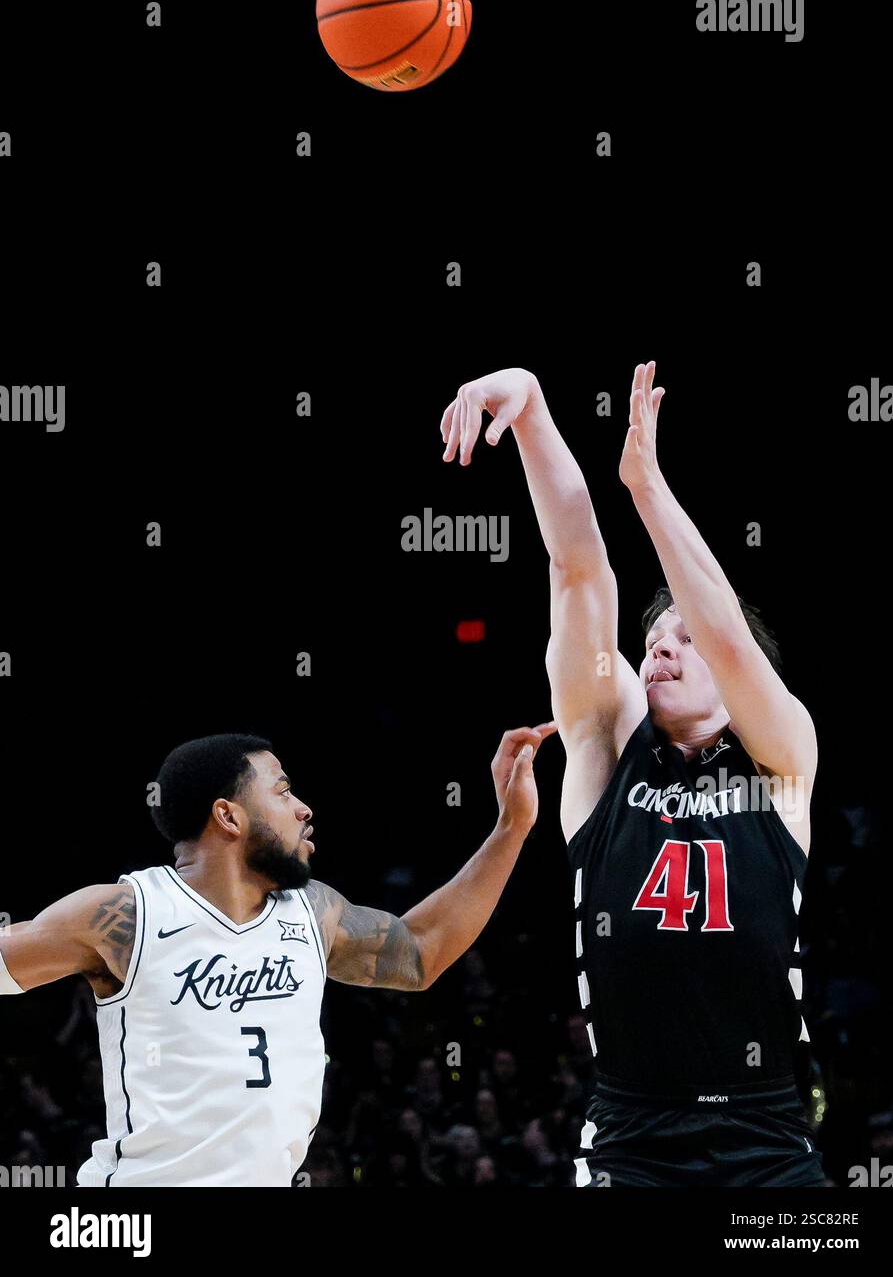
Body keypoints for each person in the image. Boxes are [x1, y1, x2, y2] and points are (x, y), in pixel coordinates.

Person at [440, 362, 825, 1187]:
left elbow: (726, 634)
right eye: (654, 636)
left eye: (680, 639)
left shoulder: (781, 756)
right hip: (629, 1131)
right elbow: (577, 571)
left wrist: (648, 490)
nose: (659, 644)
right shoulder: (607, 748)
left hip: (765, 1131)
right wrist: (534, 410)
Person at [0, 722, 554, 1186]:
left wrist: (512, 828)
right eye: (283, 791)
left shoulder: (312, 913)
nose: (304, 808)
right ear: (229, 816)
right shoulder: (129, 914)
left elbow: (420, 953)